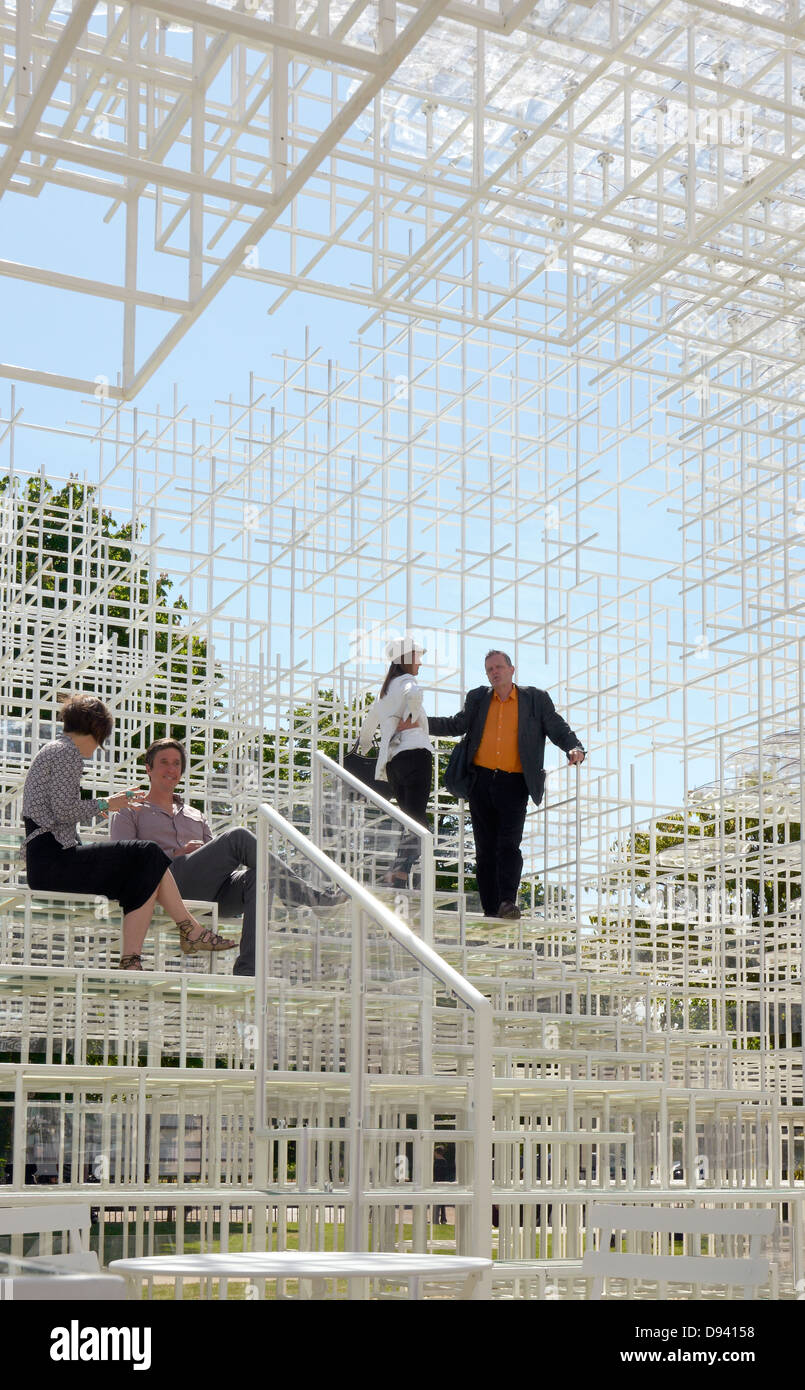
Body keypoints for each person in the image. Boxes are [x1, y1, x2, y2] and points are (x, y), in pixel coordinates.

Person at [21, 693, 233, 971]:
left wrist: (109, 803)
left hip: (51, 860)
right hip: (51, 861)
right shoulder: (66, 753)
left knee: (143, 871)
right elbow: (64, 811)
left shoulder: (55, 751)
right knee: (148, 852)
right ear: (97, 730)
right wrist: (109, 803)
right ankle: (190, 930)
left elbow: (59, 816)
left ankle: (131, 960)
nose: (99, 747)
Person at [110, 738, 347, 976]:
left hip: (209, 890)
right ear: (148, 768)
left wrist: (203, 855)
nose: (171, 769)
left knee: (259, 878)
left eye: (176, 764)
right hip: (163, 884)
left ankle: (248, 969)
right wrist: (174, 854)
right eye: (164, 763)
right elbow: (125, 861)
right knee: (238, 836)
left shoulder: (195, 814)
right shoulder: (129, 810)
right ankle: (308, 897)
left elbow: (216, 860)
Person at [428, 650, 585, 919]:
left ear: (512, 669)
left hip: (515, 783)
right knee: (484, 850)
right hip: (481, 781)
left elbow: (556, 726)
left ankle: (507, 903)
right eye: (489, 669)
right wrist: (421, 723)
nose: (494, 672)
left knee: (508, 845)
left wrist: (574, 747)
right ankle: (491, 909)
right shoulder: (478, 698)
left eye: (499, 667)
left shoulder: (535, 699)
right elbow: (457, 724)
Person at [356, 638, 433, 887]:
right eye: (417, 657)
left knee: (408, 819)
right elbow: (415, 694)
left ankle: (398, 871)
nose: (420, 662)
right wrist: (411, 714)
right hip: (415, 755)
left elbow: (367, 731)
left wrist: (364, 749)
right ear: (407, 659)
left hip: (393, 764)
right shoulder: (407, 682)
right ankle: (399, 873)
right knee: (418, 822)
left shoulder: (385, 692)